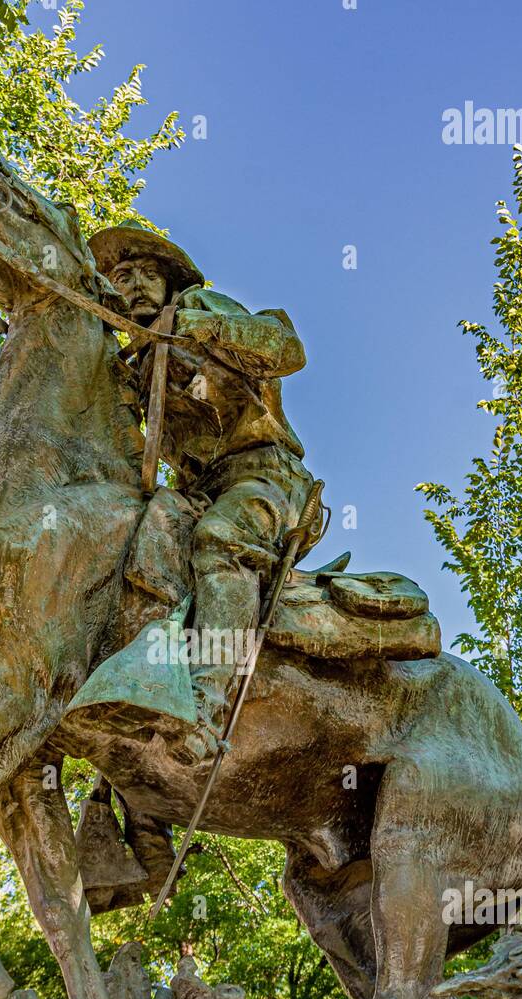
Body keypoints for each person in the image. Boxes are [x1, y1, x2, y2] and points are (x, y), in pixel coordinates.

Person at [89, 221, 314, 760]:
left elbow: (286, 349)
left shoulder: (201, 307)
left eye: (148, 274)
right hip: (197, 490)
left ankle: (205, 701)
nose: (135, 284)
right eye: (122, 277)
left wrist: (202, 327)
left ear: (172, 284)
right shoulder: (129, 367)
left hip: (264, 475)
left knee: (218, 541)